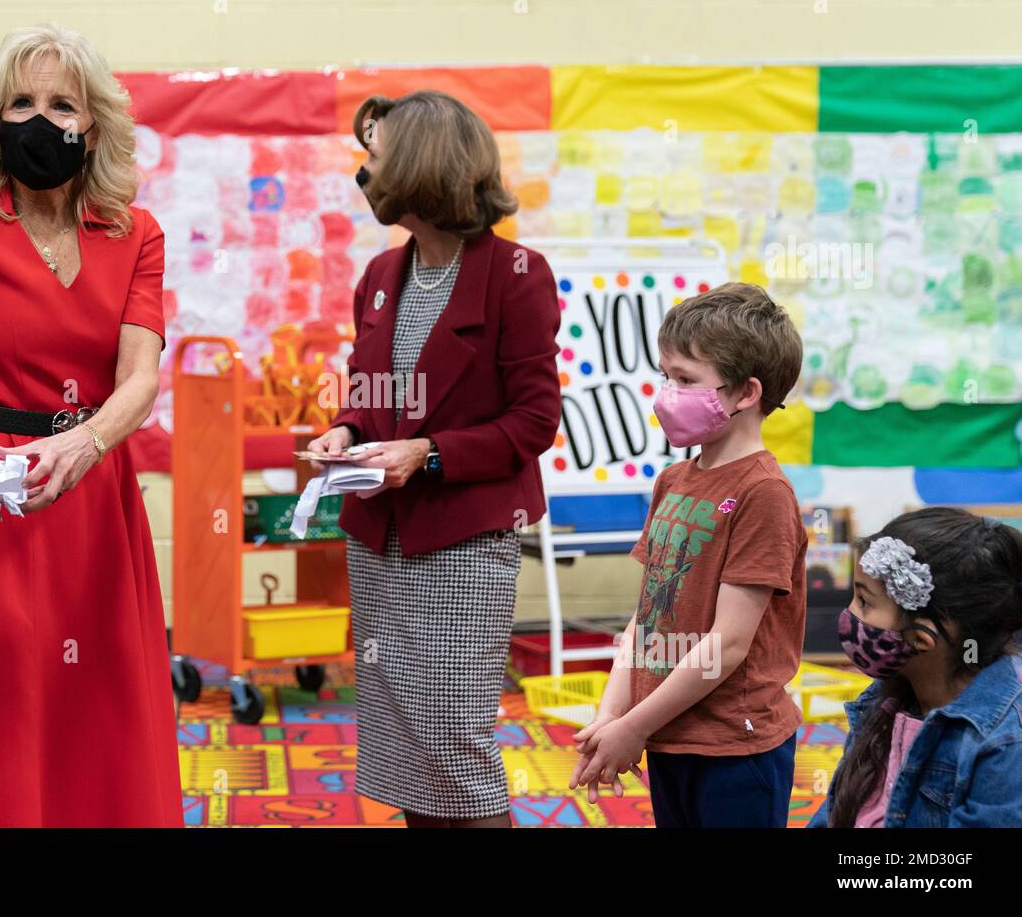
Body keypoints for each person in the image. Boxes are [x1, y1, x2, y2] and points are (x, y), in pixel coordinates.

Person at [0, 23, 182, 826]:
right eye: (20, 101)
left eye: (62, 104)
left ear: (95, 124)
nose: (39, 119)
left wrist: (86, 443)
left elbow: (139, 381)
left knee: (99, 713)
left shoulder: (135, 234)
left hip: (91, 498)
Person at [308, 90, 561, 827]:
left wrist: (431, 454)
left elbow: (535, 420)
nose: (365, 172)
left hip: (460, 541)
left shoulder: (518, 274)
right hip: (379, 543)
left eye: (375, 157)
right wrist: (345, 434)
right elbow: (369, 394)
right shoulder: (382, 276)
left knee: (455, 748)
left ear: (418, 168)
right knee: (409, 754)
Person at [570, 282, 807, 828]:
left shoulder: (763, 493)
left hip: (736, 747)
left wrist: (633, 727)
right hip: (669, 733)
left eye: (684, 380)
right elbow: (647, 615)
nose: (664, 394)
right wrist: (614, 713)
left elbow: (726, 646)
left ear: (745, 393)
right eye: (665, 376)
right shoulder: (675, 480)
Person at [809, 508, 1022, 827]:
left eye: (864, 601)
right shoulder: (883, 700)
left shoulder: (1004, 744)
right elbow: (836, 812)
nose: (850, 612)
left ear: (922, 638)